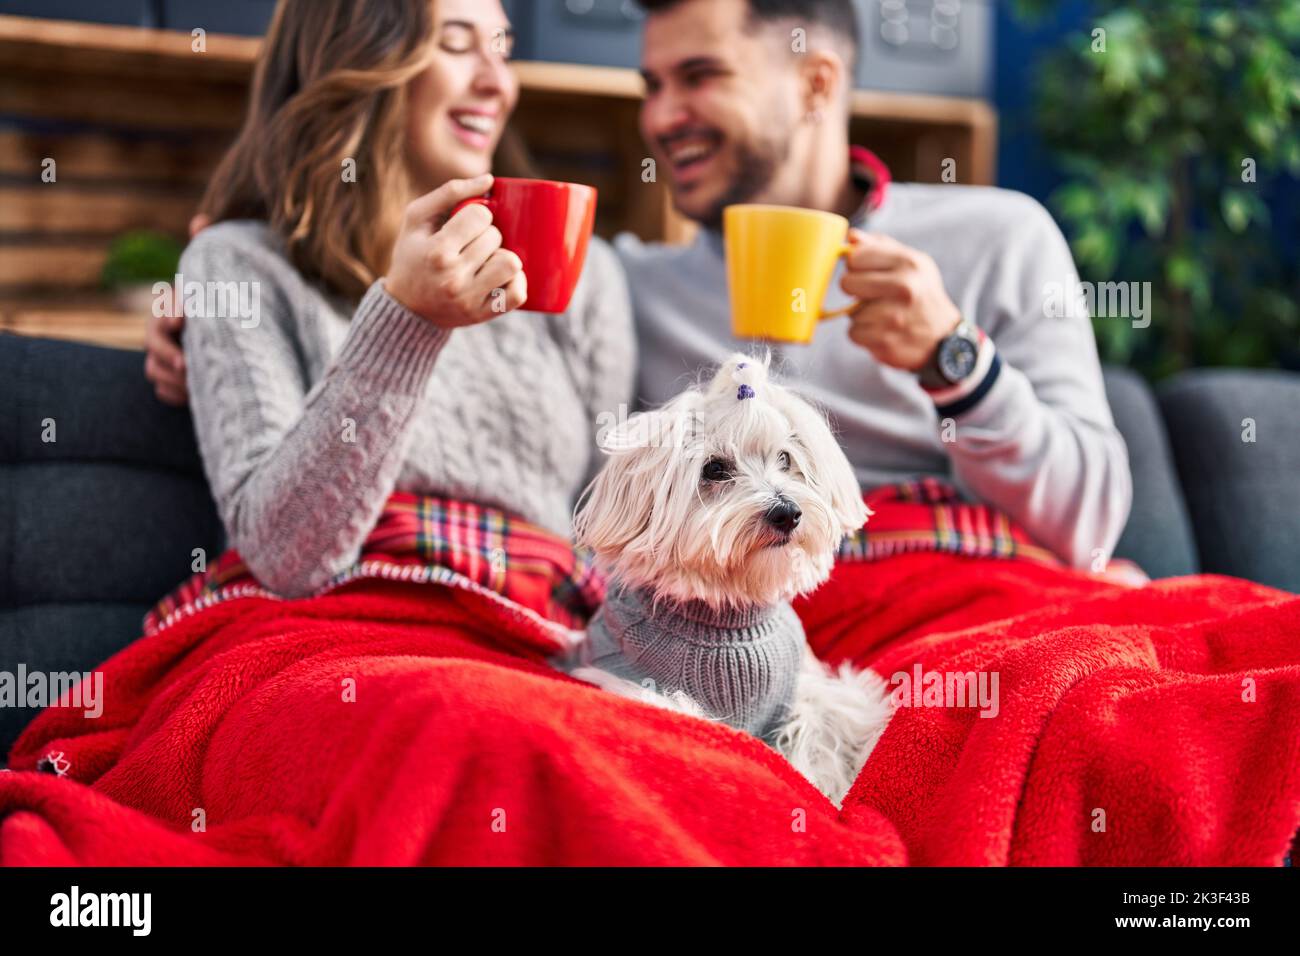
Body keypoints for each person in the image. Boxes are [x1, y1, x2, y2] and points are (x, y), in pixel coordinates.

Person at [147, 0, 1129, 572]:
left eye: (697, 77)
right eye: (651, 85)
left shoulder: (998, 233)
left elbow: (1091, 526)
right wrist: (208, 312)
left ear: (816, 82)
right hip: (786, 619)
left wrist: (956, 362)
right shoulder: (619, 280)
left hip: (978, 581)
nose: (661, 119)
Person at [168, 0, 634, 598]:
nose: (499, 83)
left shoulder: (584, 269)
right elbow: (283, 558)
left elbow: (612, 545)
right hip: (345, 633)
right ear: (363, 61)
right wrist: (406, 324)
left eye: (503, 49)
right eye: (458, 45)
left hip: (533, 629)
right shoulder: (235, 265)